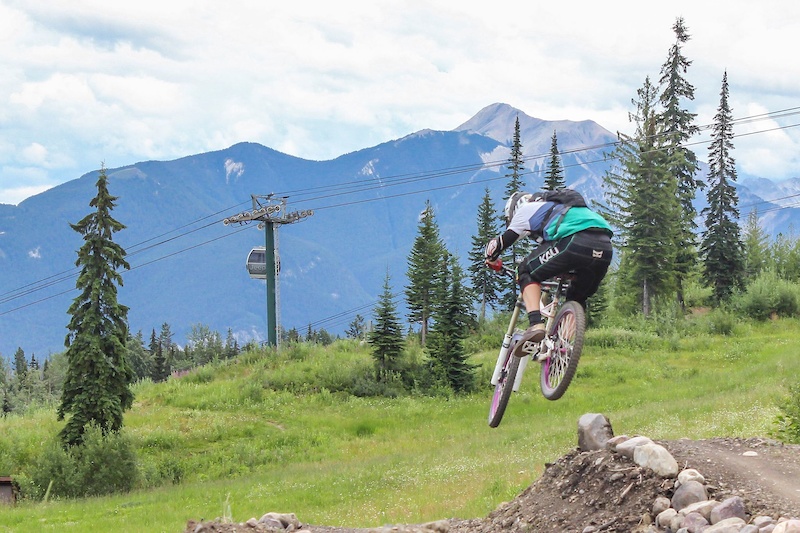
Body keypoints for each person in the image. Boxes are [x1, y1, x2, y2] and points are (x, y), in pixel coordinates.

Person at [485, 189, 613, 357]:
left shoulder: (526, 210)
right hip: (605, 248)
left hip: (575, 241)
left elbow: (500, 243)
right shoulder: (563, 209)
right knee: (577, 296)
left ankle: (535, 325)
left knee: (525, 271)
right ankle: (563, 347)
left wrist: (491, 259)